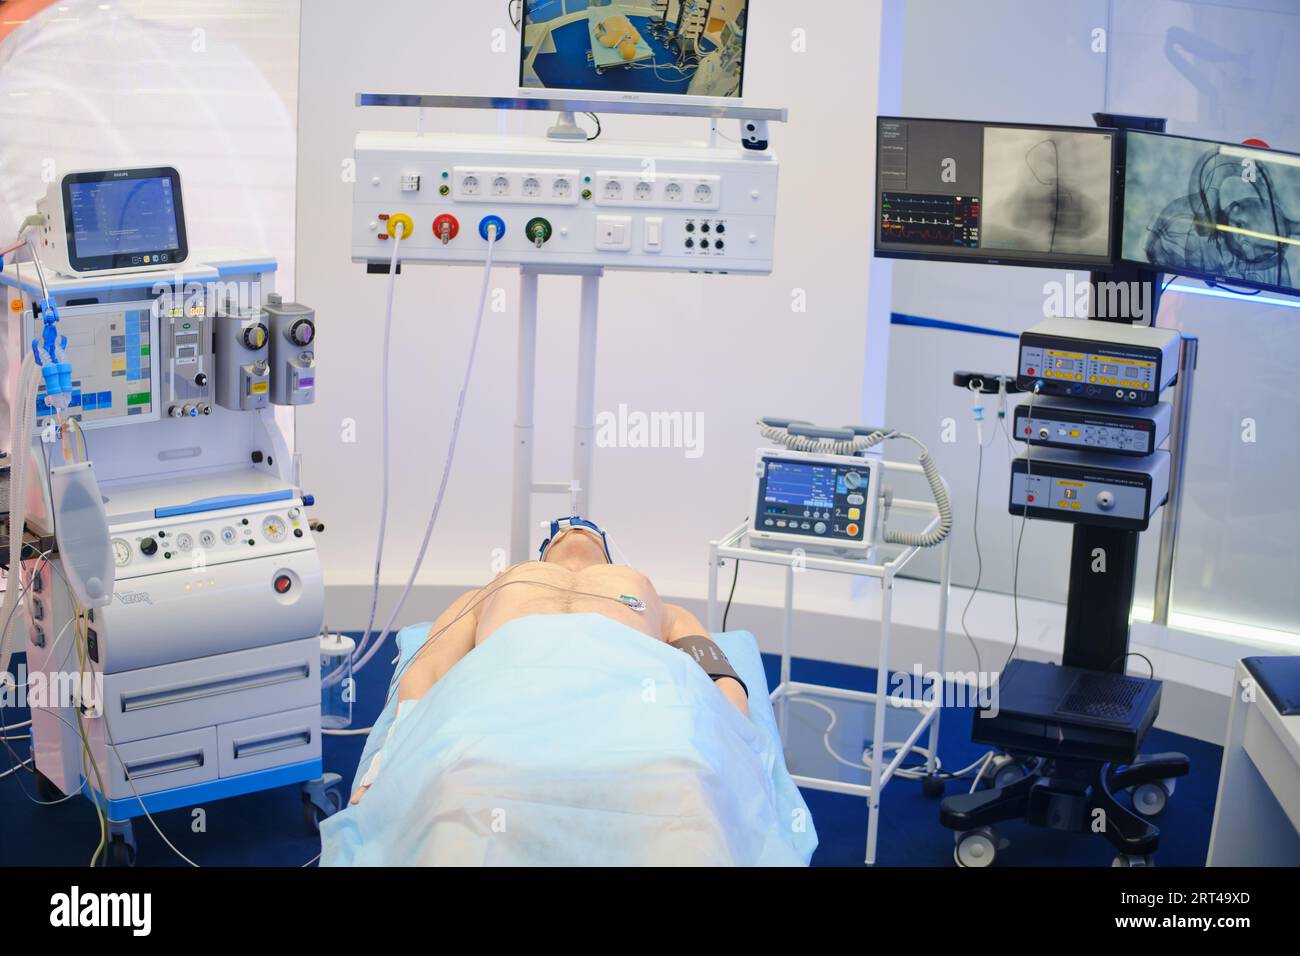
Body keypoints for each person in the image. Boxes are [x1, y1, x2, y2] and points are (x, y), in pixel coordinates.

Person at [351, 517, 747, 804]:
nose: (573, 528)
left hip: (621, 689)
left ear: (609, 553)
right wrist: (393, 755)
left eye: (585, 525)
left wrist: (732, 752)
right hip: (513, 682)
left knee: (683, 787)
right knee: (455, 784)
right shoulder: (498, 585)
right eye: (561, 528)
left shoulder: (649, 593)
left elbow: (718, 674)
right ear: (544, 551)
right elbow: (431, 665)